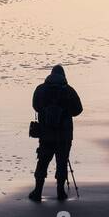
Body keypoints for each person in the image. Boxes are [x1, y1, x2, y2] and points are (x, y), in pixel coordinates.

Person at [29, 65, 83, 202]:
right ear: (64, 76)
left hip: (46, 134)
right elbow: (78, 110)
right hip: (64, 136)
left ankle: (38, 191)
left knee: (42, 161)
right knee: (62, 162)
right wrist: (65, 112)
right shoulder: (69, 90)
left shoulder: (41, 89)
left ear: (51, 74)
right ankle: (61, 192)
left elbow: (35, 105)